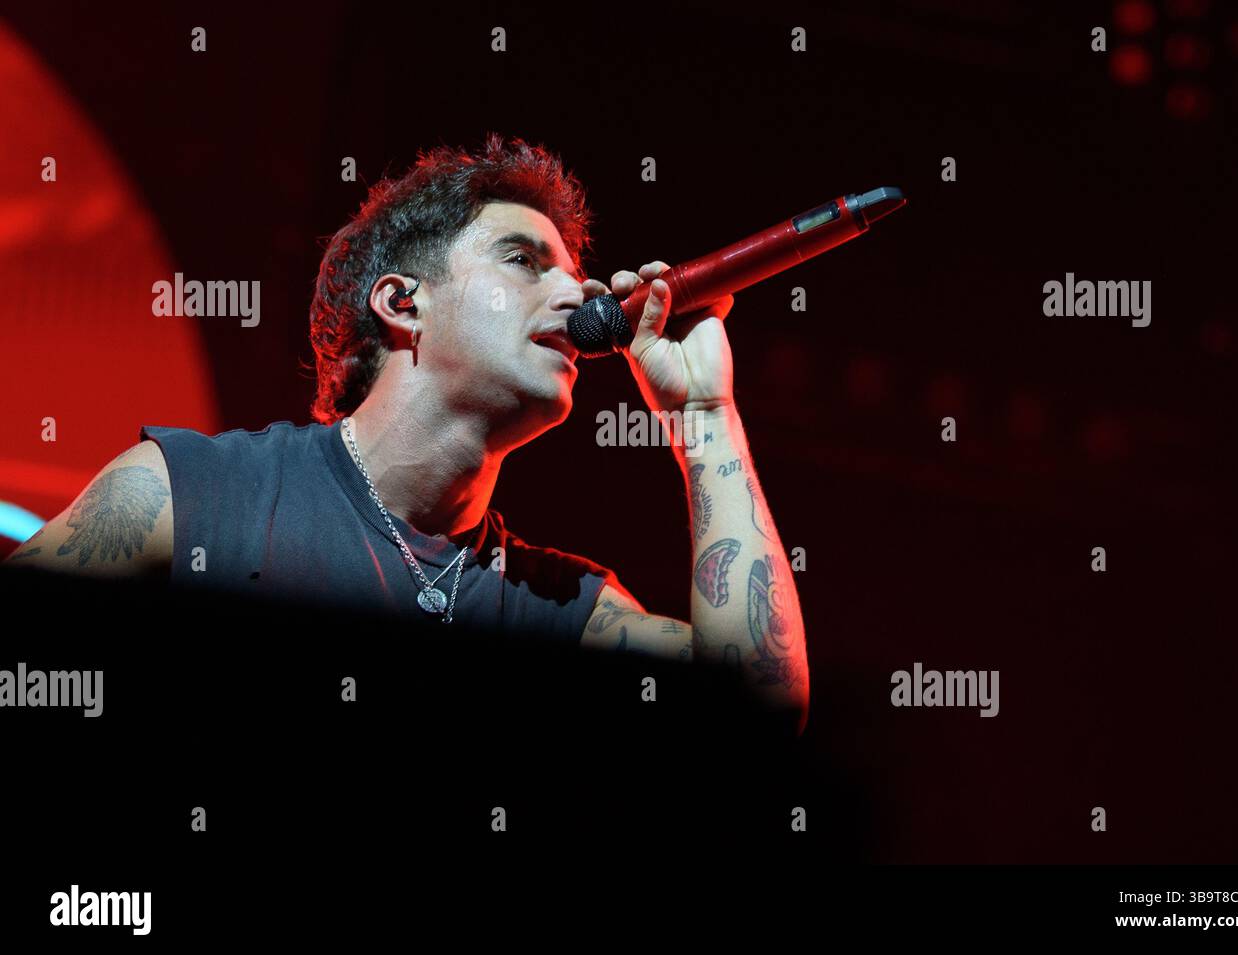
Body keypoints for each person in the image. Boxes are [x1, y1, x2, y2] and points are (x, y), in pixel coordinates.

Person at [3, 135, 808, 730]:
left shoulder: (558, 606)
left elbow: (757, 710)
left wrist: (705, 418)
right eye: (526, 262)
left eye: (575, 274)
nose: (580, 296)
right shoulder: (192, 493)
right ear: (402, 302)